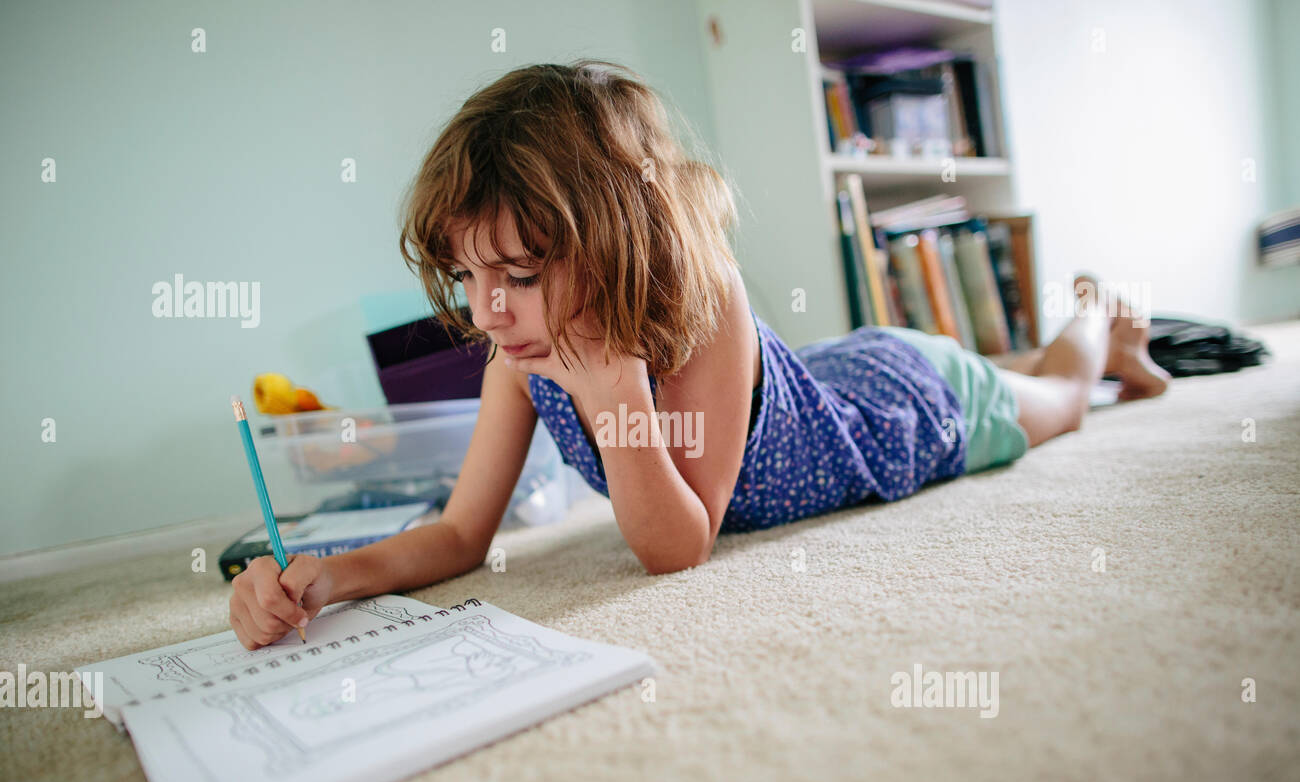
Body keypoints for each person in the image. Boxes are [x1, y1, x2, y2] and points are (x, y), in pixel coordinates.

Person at [227, 60, 1170, 650]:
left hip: (905, 407)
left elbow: (678, 546)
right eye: (469, 278)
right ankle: (1090, 334)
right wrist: (332, 574)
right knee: (1045, 384)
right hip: (836, 372)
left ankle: (1098, 319)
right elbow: (462, 535)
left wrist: (617, 391)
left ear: (610, 241)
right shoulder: (517, 349)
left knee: (1065, 397)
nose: (487, 311)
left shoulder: (704, 296)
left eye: (513, 272)